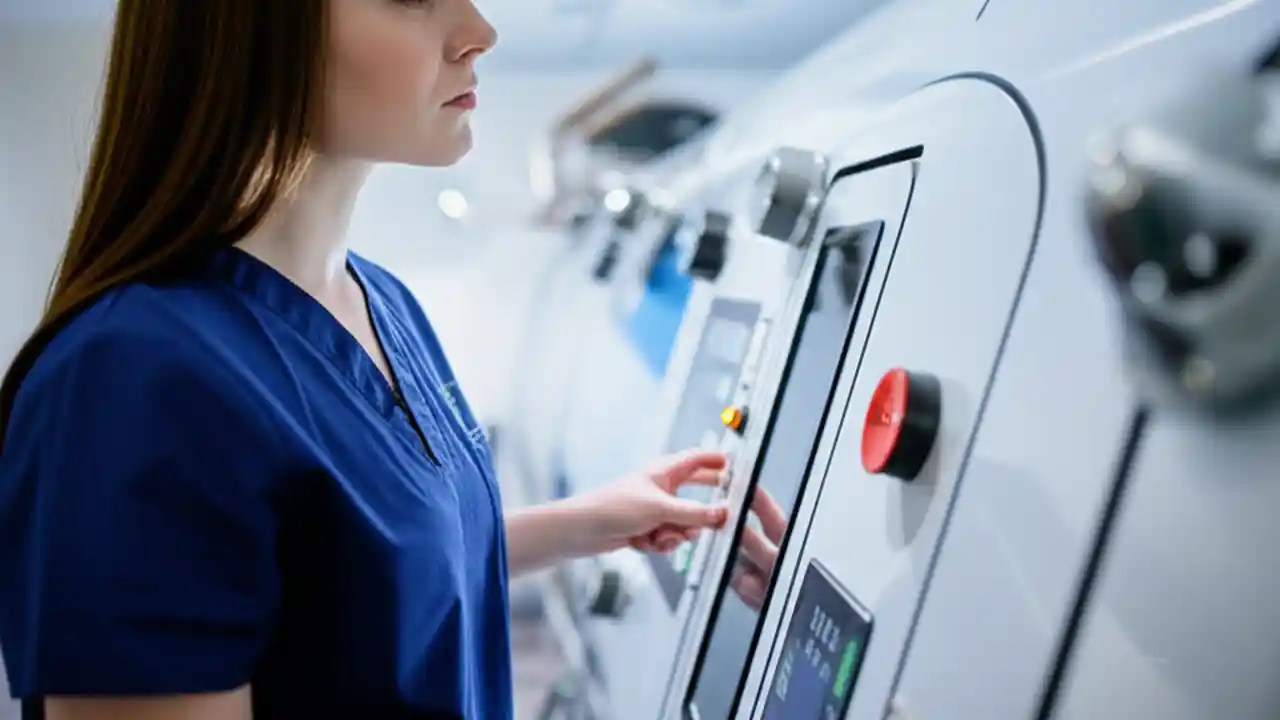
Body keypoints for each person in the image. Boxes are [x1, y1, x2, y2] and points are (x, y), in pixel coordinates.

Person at [0, 2, 730, 718]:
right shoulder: (135, 381)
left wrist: (592, 520)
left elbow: (355, 580)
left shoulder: (380, 300)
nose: (479, 32)